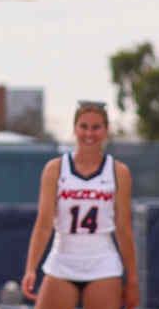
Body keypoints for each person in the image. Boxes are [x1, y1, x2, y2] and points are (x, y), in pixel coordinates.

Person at [21, 101, 139, 309]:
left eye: (96, 127)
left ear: (106, 131)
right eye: (84, 126)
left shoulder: (118, 171)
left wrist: (131, 279)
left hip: (103, 263)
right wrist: (31, 268)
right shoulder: (56, 169)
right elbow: (44, 224)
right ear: (75, 128)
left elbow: (123, 229)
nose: (89, 133)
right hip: (63, 260)